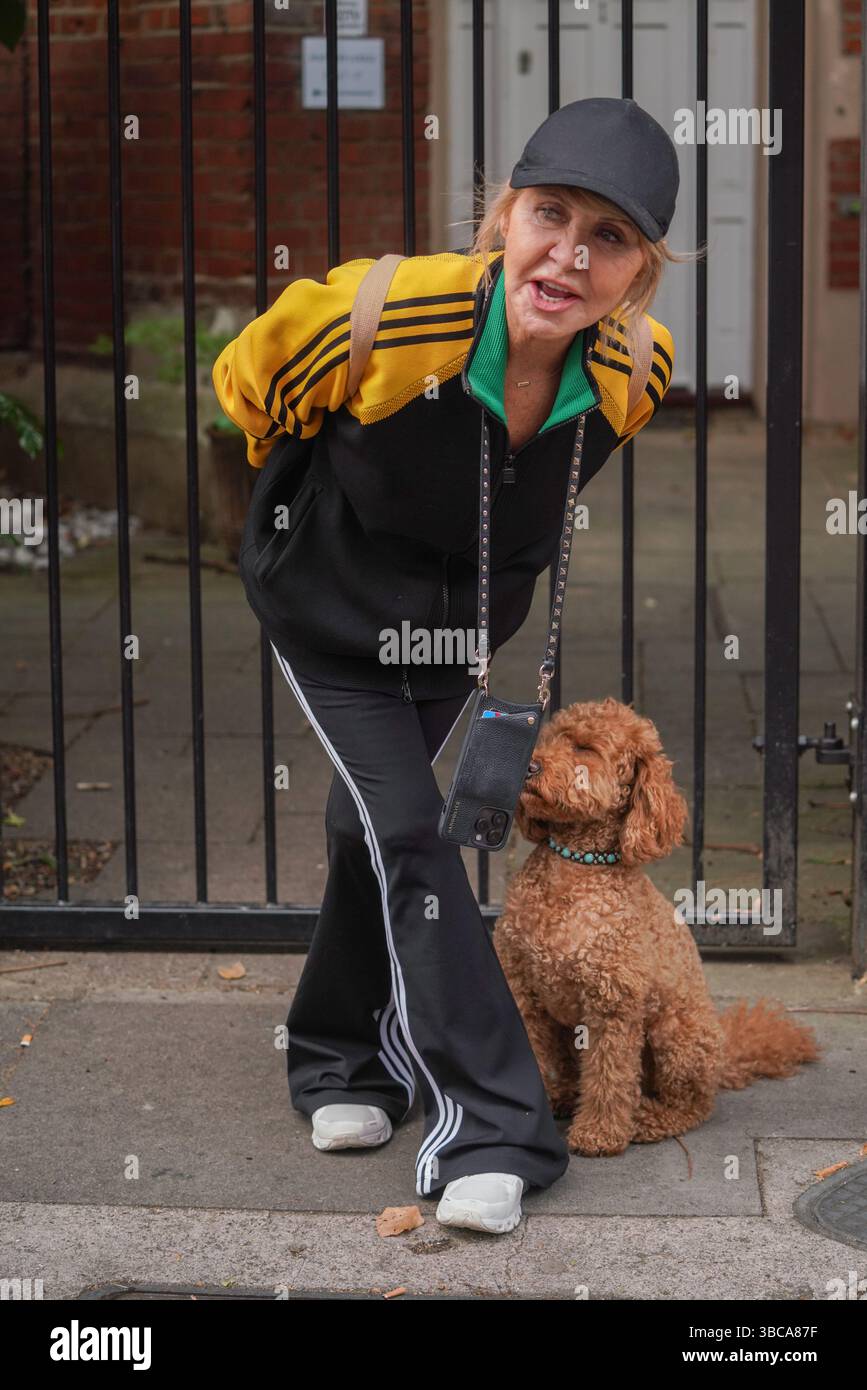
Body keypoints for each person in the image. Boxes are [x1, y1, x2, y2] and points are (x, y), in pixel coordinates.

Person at [212, 97, 682, 1235]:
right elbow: (245, 389)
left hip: (451, 630)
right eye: (550, 214)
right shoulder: (384, 317)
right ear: (502, 217)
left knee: (360, 829)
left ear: (642, 272)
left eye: (608, 237)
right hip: (329, 617)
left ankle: (336, 1061)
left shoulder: (636, 372)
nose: (569, 254)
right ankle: (495, 1126)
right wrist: (320, 510)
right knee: (411, 827)